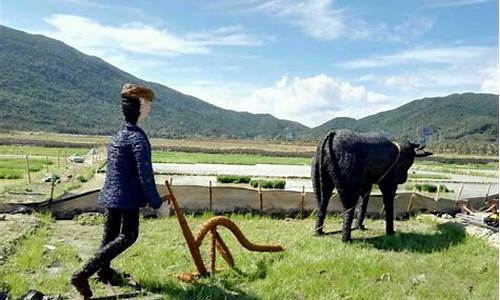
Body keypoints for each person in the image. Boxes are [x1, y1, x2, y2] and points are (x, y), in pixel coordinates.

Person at [71, 83, 163, 298]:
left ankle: (104, 272)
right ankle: (82, 274)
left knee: (110, 235)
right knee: (128, 236)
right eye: (148, 103)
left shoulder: (119, 135)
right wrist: (157, 203)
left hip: (112, 193)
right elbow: (145, 176)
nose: (150, 107)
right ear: (139, 104)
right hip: (126, 197)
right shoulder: (138, 138)